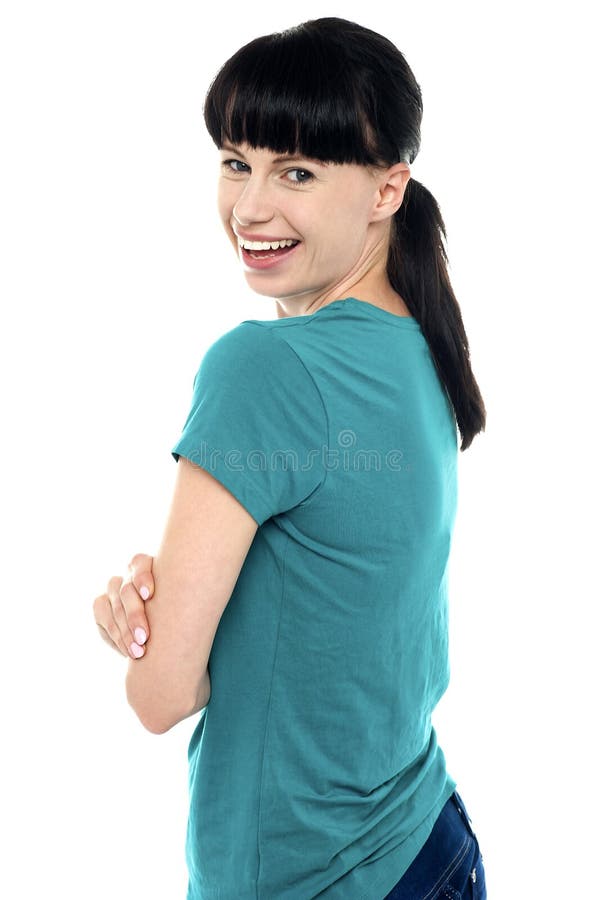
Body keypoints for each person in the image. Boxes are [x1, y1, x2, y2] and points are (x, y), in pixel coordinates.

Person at [93, 16, 488, 899]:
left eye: (297, 172)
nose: (250, 208)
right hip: (428, 843)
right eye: (236, 161)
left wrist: (152, 614)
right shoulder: (419, 339)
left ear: (389, 189)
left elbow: (159, 698)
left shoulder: (264, 367)